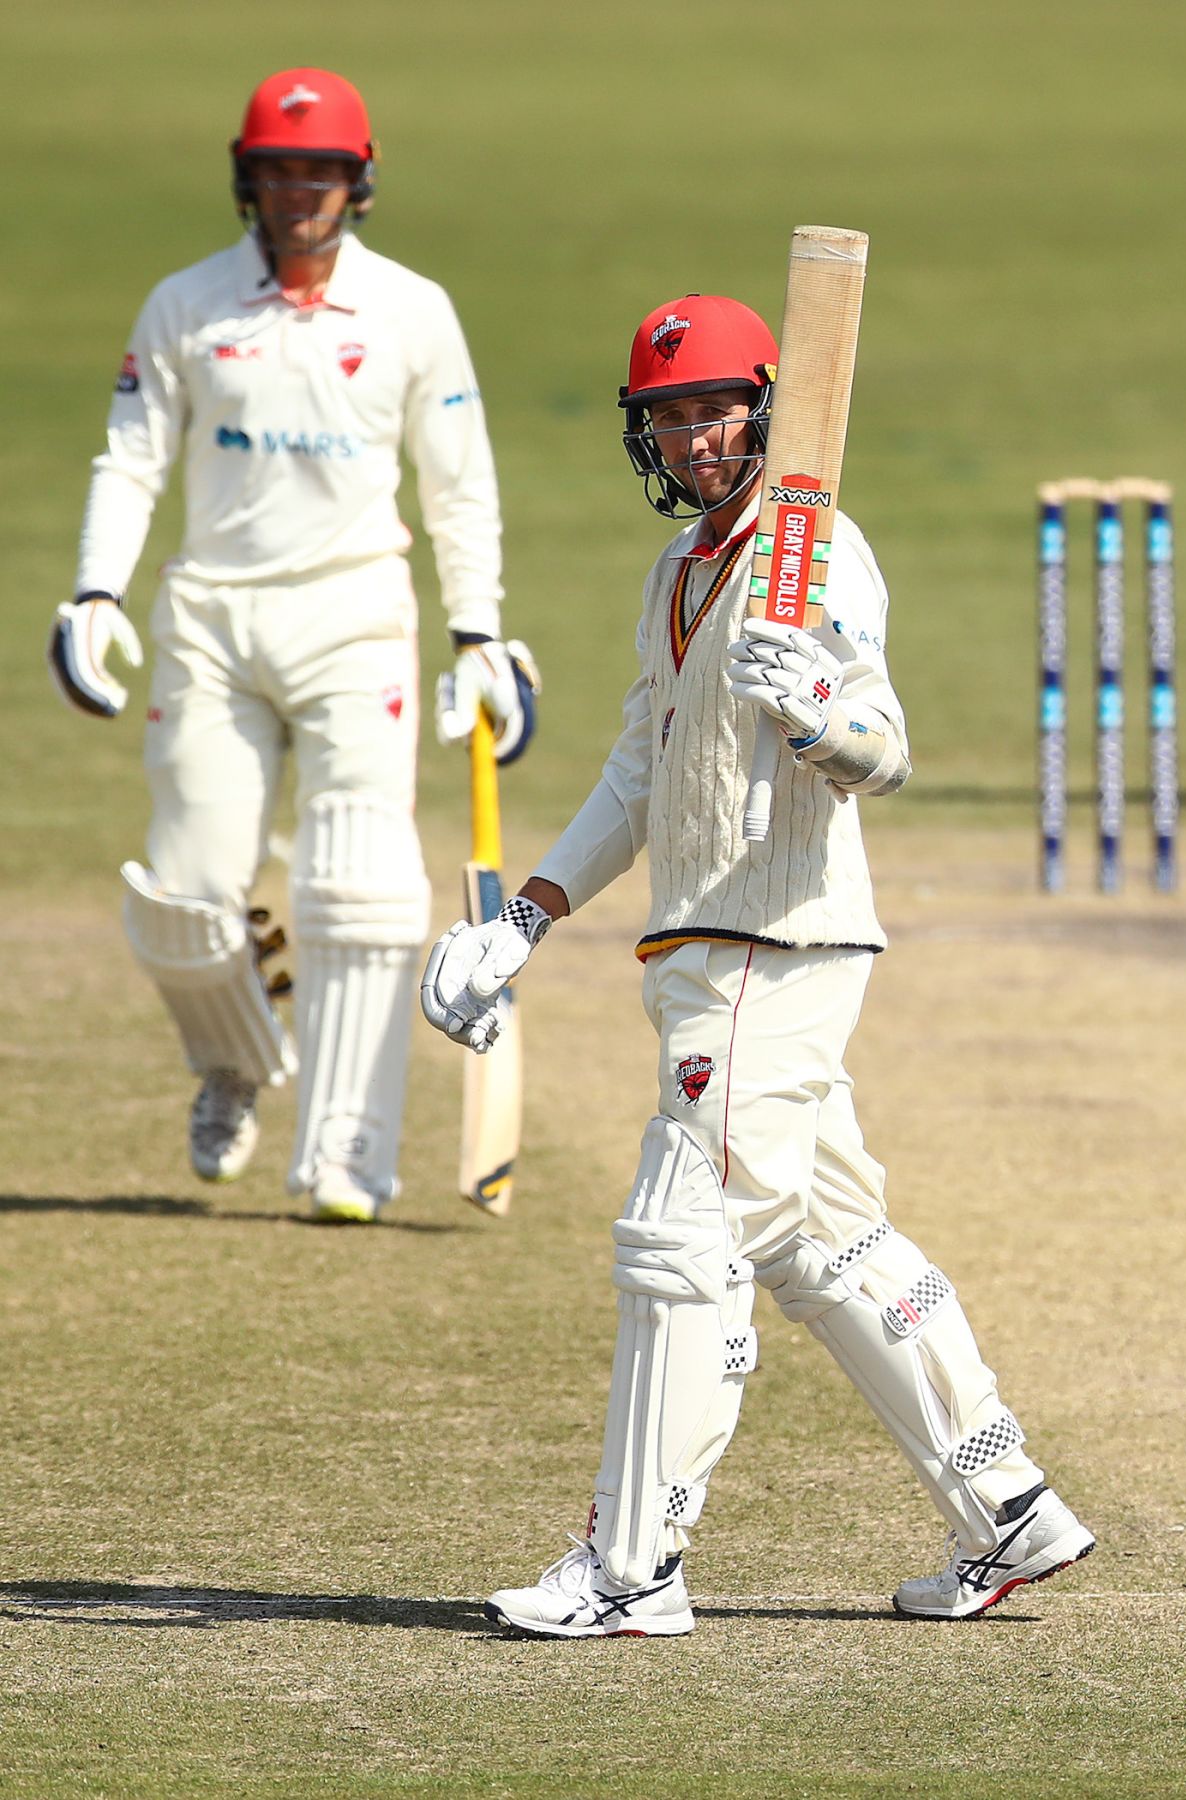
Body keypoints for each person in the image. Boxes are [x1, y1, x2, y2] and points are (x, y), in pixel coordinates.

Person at [421, 293, 1095, 1629]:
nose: (692, 437)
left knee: (681, 1238)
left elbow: (885, 750)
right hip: (704, 946)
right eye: (666, 417)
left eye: (713, 408)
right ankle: (1008, 1508)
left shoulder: (819, 551)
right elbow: (642, 768)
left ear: (764, 409)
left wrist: (827, 716)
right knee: (826, 1248)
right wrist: (529, 913)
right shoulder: (678, 579)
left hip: (769, 944)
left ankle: (633, 1570)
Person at [48, 68, 537, 1222]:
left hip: (357, 613)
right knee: (185, 898)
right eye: (278, 170)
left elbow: (460, 487)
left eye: (319, 172)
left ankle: (346, 1156)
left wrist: (480, 630)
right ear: (246, 179)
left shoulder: (414, 310)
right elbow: (130, 457)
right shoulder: (186, 305)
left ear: (358, 184)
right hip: (211, 617)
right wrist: (93, 594)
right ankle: (232, 1057)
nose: (298, 192)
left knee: (360, 887)